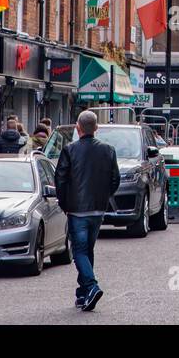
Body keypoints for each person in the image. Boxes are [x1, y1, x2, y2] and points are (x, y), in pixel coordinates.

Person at [55, 110, 120, 312]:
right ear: (96, 128)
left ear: (78, 128)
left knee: (80, 251)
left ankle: (91, 286)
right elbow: (115, 180)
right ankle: (83, 293)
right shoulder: (108, 150)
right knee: (87, 250)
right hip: (98, 210)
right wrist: (104, 197)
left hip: (77, 210)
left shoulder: (69, 150)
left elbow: (60, 179)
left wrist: (65, 205)